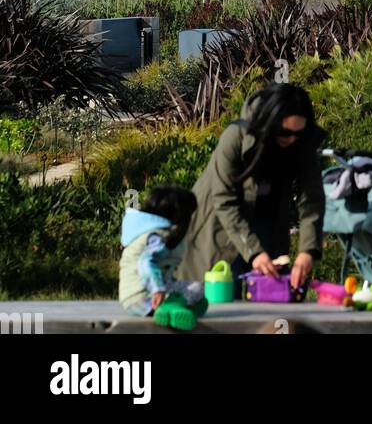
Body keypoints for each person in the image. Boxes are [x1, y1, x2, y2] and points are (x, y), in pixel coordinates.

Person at [178, 82, 326, 291]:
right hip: (219, 225)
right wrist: (254, 251)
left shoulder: (302, 141)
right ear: (270, 123)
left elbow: (311, 199)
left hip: (267, 222)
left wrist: (307, 251)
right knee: (218, 297)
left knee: (266, 295)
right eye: (285, 132)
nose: (291, 138)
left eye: (297, 133)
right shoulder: (235, 136)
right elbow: (223, 200)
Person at [119, 184, 208, 329]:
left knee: (198, 293)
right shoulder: (156, 236)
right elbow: (145, 262)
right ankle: (169, 310)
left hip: (136, 297)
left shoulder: (152, 232)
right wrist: (158, 289)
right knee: (194, 289)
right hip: (144, 296)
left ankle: (174, 308)